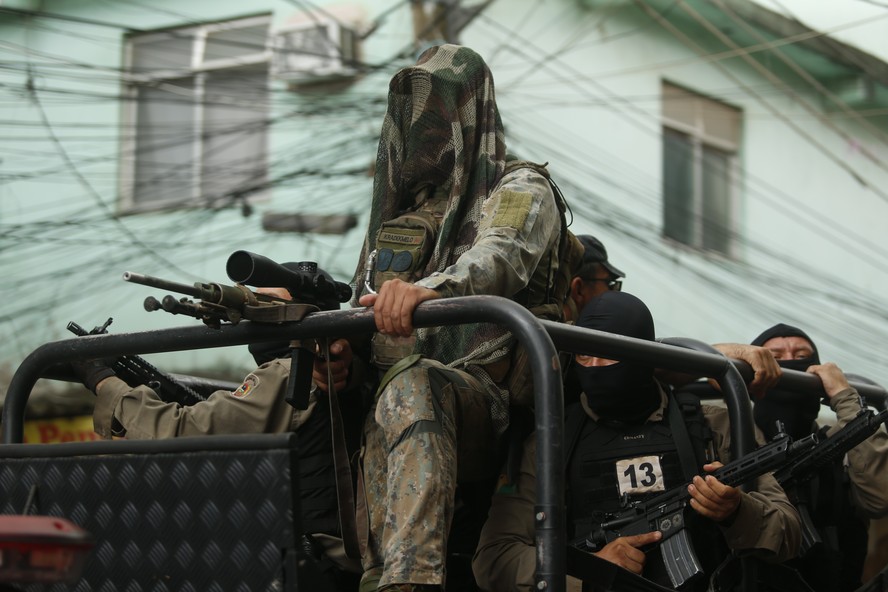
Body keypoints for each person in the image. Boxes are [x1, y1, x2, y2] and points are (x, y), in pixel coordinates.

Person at [311, 44, 567, 592]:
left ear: (472, 111)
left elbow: (500, 259)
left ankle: (411, 582)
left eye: (438, 113)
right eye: (414, 117)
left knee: (415, 386)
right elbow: (366, 304)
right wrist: (338, 359)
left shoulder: (519, 187)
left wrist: (423, 292)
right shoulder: (399, 218)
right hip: (396, 396)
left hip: (492, 399)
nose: (426, 130)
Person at [473, 292, 802, 592]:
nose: (596, 368)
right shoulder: (551, 441)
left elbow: (789, 533)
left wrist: (737, 511)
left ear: (644, 357)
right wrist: (588, 572)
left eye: (610, 355)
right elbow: (494, 558)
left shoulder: (712, 426)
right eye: (585, 356)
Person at [70, 279, 366, 590]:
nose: (252, 318)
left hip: (314, 565)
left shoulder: (292, 372)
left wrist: (104, 381)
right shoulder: (344, 369)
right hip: (335, 562)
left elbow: (182, 433)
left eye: (262, 307)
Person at [750, 323, 888, 592]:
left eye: (802, 357)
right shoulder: (728, 438)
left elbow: (880, 497)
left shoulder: (845, 443)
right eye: (775, 358)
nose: (791, 360)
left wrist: (845, 397)